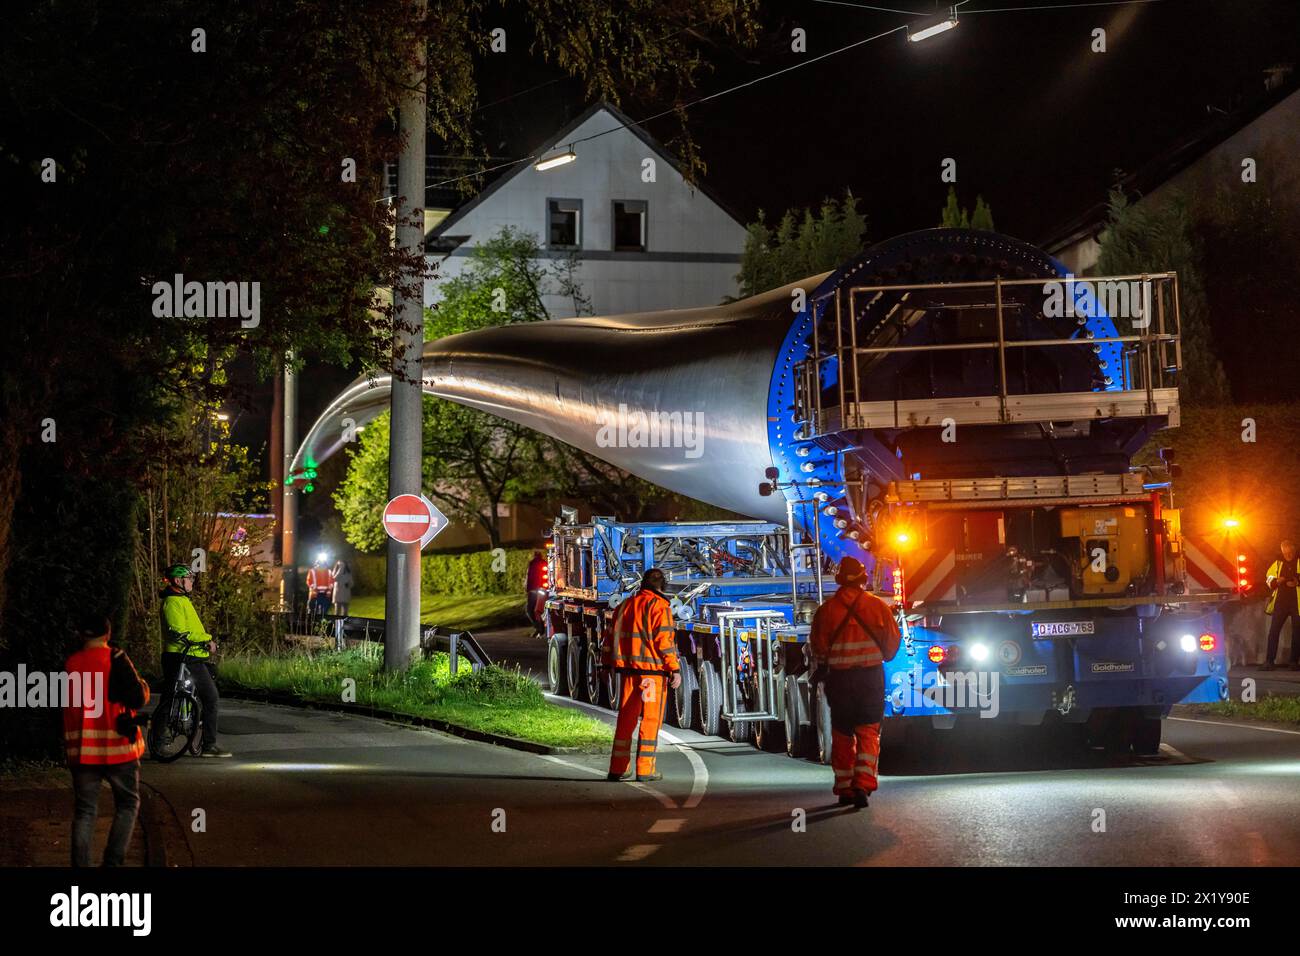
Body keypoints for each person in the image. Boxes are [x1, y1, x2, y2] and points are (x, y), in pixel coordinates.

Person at [809, 556, 901, 809]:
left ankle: (845, 787)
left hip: (839, 680)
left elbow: (818, 648)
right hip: (870, 678)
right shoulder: (877, 607)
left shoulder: (826, 611)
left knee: (842, 733)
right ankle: (863, 783)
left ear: (839, 580)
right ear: (863, 579)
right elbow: (892, 645)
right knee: (868, 731)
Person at [63, 613, 150, 866]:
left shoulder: (71, 664)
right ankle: (112, 862)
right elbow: (137, 698)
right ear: (108, 634)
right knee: (127, 803)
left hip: (82, 752)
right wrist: (143, 686)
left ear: (81, 635)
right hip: (118, 747)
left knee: (85, 812)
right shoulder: (115, 658)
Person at [603, 568, 681, 783]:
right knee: (650, 720)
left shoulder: (624, 606)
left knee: (626, 719)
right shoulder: (660, 607)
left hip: (628, 673)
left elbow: (608, 639)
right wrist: (673, 668)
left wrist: (605, 665)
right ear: (661, 585)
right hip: (651, 677)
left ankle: (617, 769)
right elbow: (664, 642)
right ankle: (645, 770)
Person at [159, 565, 231, 757]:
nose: (192, 582)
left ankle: (206, 744)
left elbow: (191, 630)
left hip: (193, 655)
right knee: (174, 698)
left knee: (203, 696)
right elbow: (178, 631)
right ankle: (161, 741)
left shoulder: (183, 600)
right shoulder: (173, 602)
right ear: (177, 581)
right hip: (180, 656)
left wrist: (205, 641)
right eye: (189, 579)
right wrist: (205, 640)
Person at [1263, 539, 1300, 671]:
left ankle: (1294, 662)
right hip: (1281, 602)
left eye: (1290, 552)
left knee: (1297, 633)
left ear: (1294, 551)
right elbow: (1268, 578)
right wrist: (1277, 581)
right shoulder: (1278, 563)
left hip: (1297, 603)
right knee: (1274, 631)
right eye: (1286, 553)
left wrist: (1297, 581)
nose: (1288, 555)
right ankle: (1269, 661)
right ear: (1282, 552)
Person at [525, 549, 548, 632]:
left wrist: (528, 589)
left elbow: (529, 577)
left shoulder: (532, 563)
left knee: (530, 610)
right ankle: (540, 628)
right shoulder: (544, 562)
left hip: (533, 590)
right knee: (538, 610)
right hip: (542, 590)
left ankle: (538, 628)